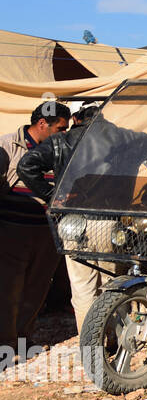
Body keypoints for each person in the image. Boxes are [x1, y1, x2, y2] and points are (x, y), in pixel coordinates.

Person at [15, 103, 107, 333]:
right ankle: (111, 339)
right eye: (60, 127)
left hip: (65, 225)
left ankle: (91, 346)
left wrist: (52, 197)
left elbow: (26, 167)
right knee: (110, 285)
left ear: (77, 118)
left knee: (78, 288)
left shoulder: (62, 141)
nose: (64, 131)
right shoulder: (115, 137)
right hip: (106, 222)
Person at [0, 102, 72, 353]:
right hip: (12, 230)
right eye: (61, 128)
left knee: (37, 286)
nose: (65, 133)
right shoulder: (8, 145)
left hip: (48, 231)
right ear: (43, 124)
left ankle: (22, 338)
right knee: (8, 288)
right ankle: (5, 343)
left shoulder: (61, 148)